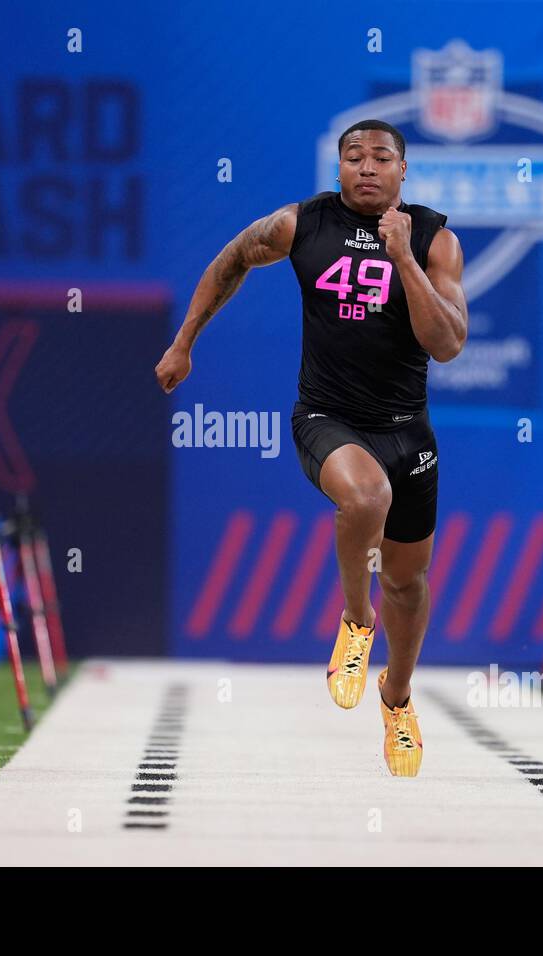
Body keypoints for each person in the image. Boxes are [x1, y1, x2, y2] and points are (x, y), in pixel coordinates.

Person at [154, 119, 467, 776]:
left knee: (407, 584)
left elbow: (447, 343)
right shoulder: (300, 225)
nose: (367, 167)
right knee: (365, 495)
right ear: (338, 168)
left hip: (409, 430)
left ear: (403, 172)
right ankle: (356, 624)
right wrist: (185, 342)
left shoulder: (435, 240)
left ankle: (398, 699)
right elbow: (232, 258)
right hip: (327, 417)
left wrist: (403, 256)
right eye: (353, 157)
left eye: (382, 157)